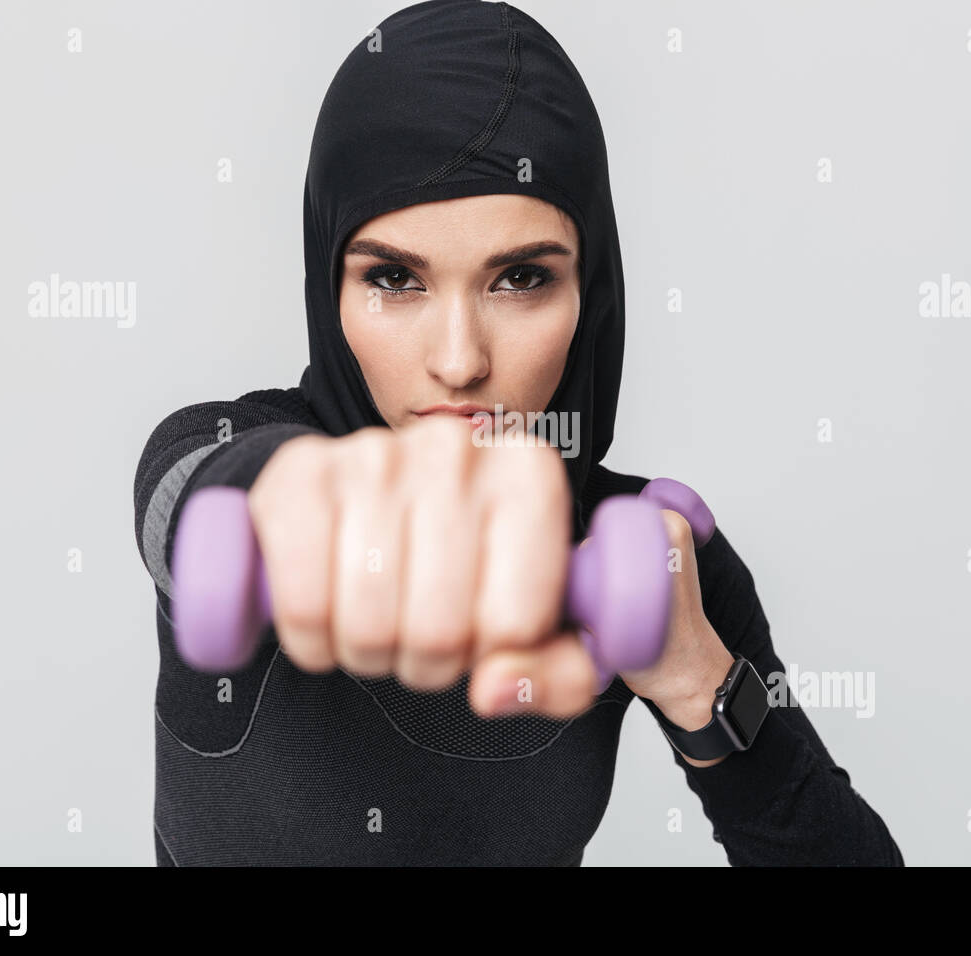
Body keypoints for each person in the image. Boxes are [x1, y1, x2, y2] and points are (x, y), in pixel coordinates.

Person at [132, 0, 904, 866]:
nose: (460, 362)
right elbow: (200, 502)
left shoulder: (658, 554)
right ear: (330, 287)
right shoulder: (222, 448)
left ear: (592, 296)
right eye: (394, 277)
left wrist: (701, 683)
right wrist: (289, 508)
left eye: (522, 278)